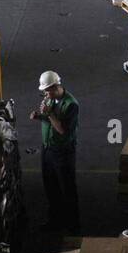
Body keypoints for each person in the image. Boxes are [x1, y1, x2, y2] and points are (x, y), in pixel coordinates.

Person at [32, 70, 80, 231]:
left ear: (55, 87)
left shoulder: (71, 105)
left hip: (63, 152)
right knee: (51, 187)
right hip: (48, 149)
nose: (45, 94)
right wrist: (39, 116)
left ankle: (73, 226)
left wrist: (49, 113)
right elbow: (49, 120)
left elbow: (63, 130)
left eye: (47, 91)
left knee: (67, 188)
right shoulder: (50, 99)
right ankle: (55, 220)